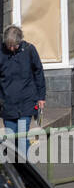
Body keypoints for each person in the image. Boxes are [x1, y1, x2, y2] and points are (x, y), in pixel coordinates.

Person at [0, 25, 45, 160]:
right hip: (7, 103)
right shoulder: (1, 53)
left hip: (26, 101)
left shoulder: (29, 50)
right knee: (11, 138)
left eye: (15, 45)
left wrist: (41, 97)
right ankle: (16, 170)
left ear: (20, 42)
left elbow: (38, 73)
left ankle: (24, 171)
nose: (12, 48)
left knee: (21, 134)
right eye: (9, 45)